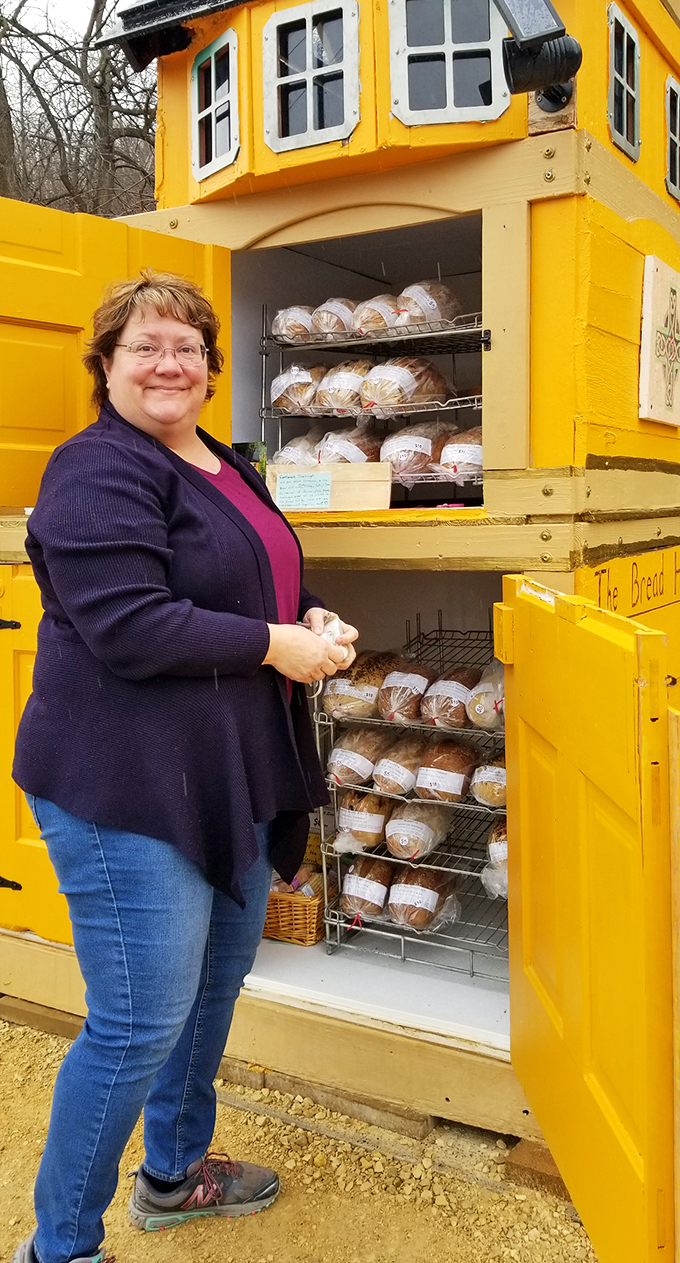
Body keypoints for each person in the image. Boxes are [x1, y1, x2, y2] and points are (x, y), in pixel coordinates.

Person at [11, 270, 358, 1263]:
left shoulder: (224, 461)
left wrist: (307, 617)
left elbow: (259, 573)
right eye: (144, 346)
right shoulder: (95, 467)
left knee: (211, 988)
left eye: (187, 348)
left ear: (210, 367)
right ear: (106, 364)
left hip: (226, 770)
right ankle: (60, 1247)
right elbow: (129, 622)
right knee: (136, 1022)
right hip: (125, 783)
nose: (169, 364)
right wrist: (274, 645)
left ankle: (172, 1172)